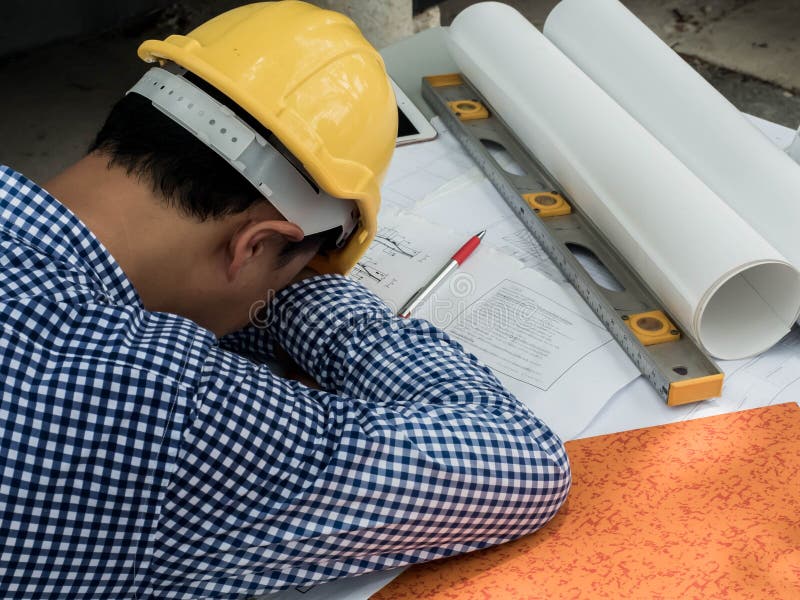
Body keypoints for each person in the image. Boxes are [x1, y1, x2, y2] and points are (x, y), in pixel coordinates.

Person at [0, 1, 570, 598]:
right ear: (256, 246)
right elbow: (519, 462)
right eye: (299, 265)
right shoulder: (162, 399)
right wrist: (314, 301)